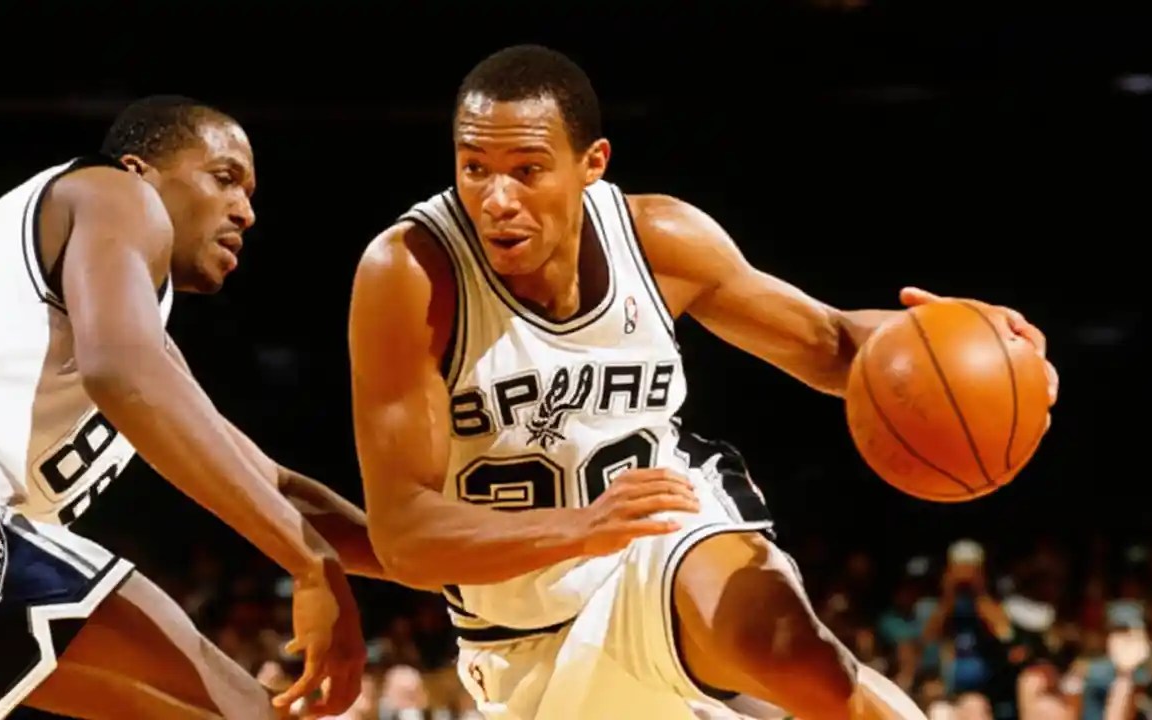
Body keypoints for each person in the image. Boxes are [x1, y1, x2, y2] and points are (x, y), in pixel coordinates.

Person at [349, 45, 1061, 720]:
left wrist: (981, 349)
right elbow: (406, 534)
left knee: (797, 658)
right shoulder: (411, 274)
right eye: (474, 168)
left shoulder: (659, 239)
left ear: (591, 163)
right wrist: (583, 527)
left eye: (527, 170)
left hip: (663, 528)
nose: (496, 198)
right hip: (525, 636)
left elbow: (832, 344)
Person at [0, 96, 374, 720]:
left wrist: (452, 571)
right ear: (140, 169)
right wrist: (308, 564)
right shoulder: (117, 196)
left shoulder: (128, 330)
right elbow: (123, 374)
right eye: (225, 177)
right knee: (242, 710)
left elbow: (272, 486)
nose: (246, 210)